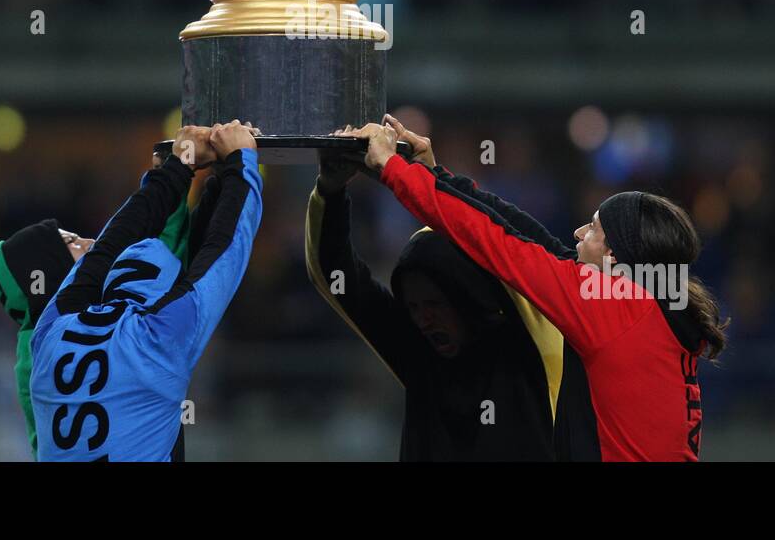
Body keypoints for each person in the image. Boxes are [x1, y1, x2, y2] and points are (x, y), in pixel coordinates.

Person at [357, 120, 728, 461]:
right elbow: (527, 236)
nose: (580, 233)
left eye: (594, 228)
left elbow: (494, 241)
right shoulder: (651, 300)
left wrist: (393, 169)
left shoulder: (608, 308)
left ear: (614, 255)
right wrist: (434, 174)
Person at [305, 116, 600, 460]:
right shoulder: (419, 353)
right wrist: (330, 189)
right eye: (413, 307)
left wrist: (428, 178)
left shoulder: (536, 341)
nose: (424, 319)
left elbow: (505, 239)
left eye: (434, 304)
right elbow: (337, 277)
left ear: (469, 296)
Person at [30, 121, 261, 461]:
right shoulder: (158, 337)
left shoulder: (52, 332)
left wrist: (184, 164)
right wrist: (238, 162)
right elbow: (226, 251)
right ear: (162, 298)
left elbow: (109, 246)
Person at [0, 151, 197, 456]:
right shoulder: (41, 350)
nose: (89, 243)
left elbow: (160, 256)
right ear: (51, 272)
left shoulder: (70, 322)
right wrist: (169, 180)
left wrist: (171, 189)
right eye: (72, 243)